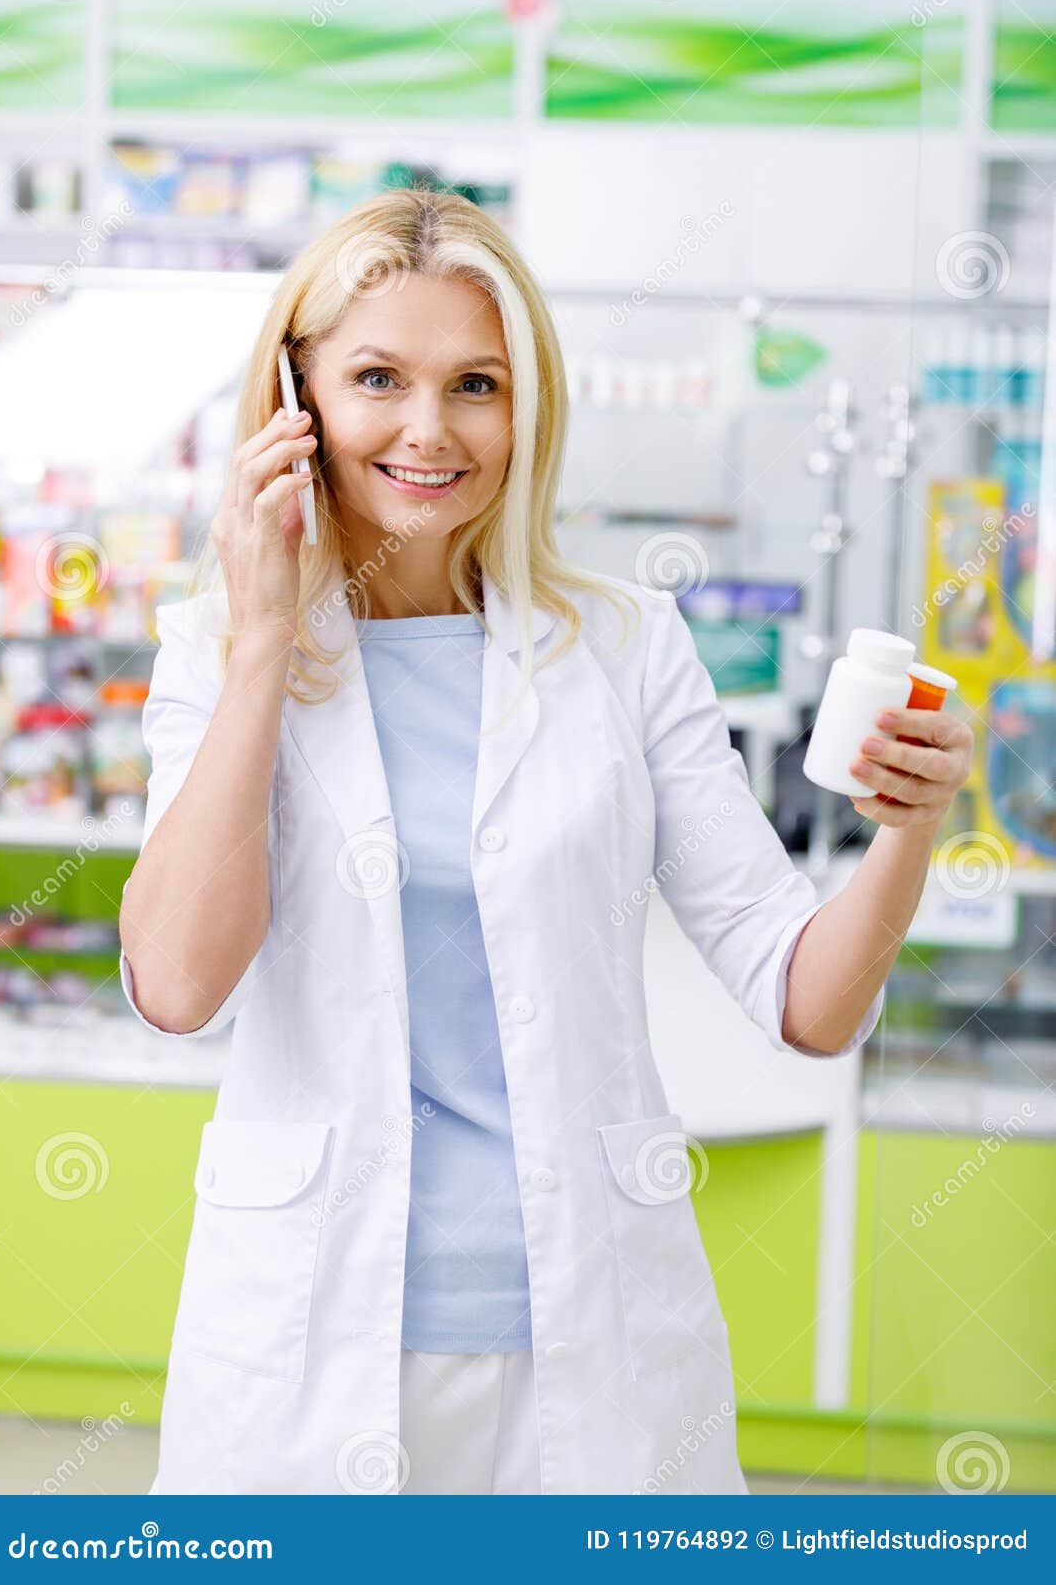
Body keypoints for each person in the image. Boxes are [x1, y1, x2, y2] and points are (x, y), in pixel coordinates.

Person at [119, 188, 973, 1495]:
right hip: (307, 1338)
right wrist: (260, 638)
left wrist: (906, 831)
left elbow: (804, 997)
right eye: (376, 379)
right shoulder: (217, 657)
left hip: (591, 1355)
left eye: (476, 382)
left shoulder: (624, 648)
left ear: (531, 408)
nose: (428, 429)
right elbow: (178, 986)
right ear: (294, 404)